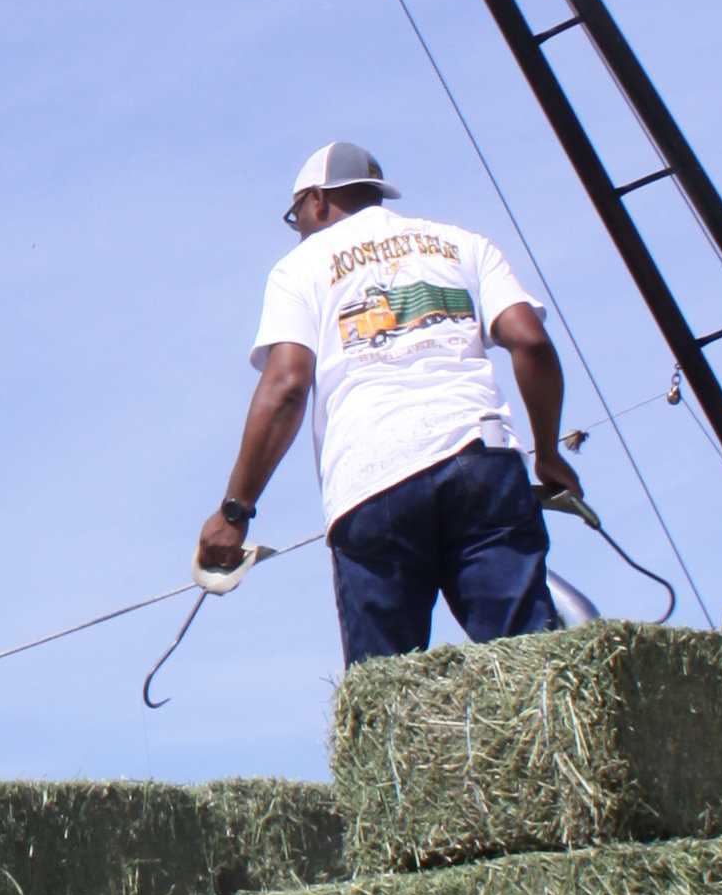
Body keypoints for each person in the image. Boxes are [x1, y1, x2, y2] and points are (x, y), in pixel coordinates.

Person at [194, 141, 580, 667]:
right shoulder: (464, 244)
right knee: (530, 669)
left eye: (296, 215)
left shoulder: (301, 266)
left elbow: (286, 386)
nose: (299, 226)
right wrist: (549, 453)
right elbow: (531, 342)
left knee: (387, 705)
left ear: (317, 202)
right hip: (483, 461)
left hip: (374, 477)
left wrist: (235, 511)